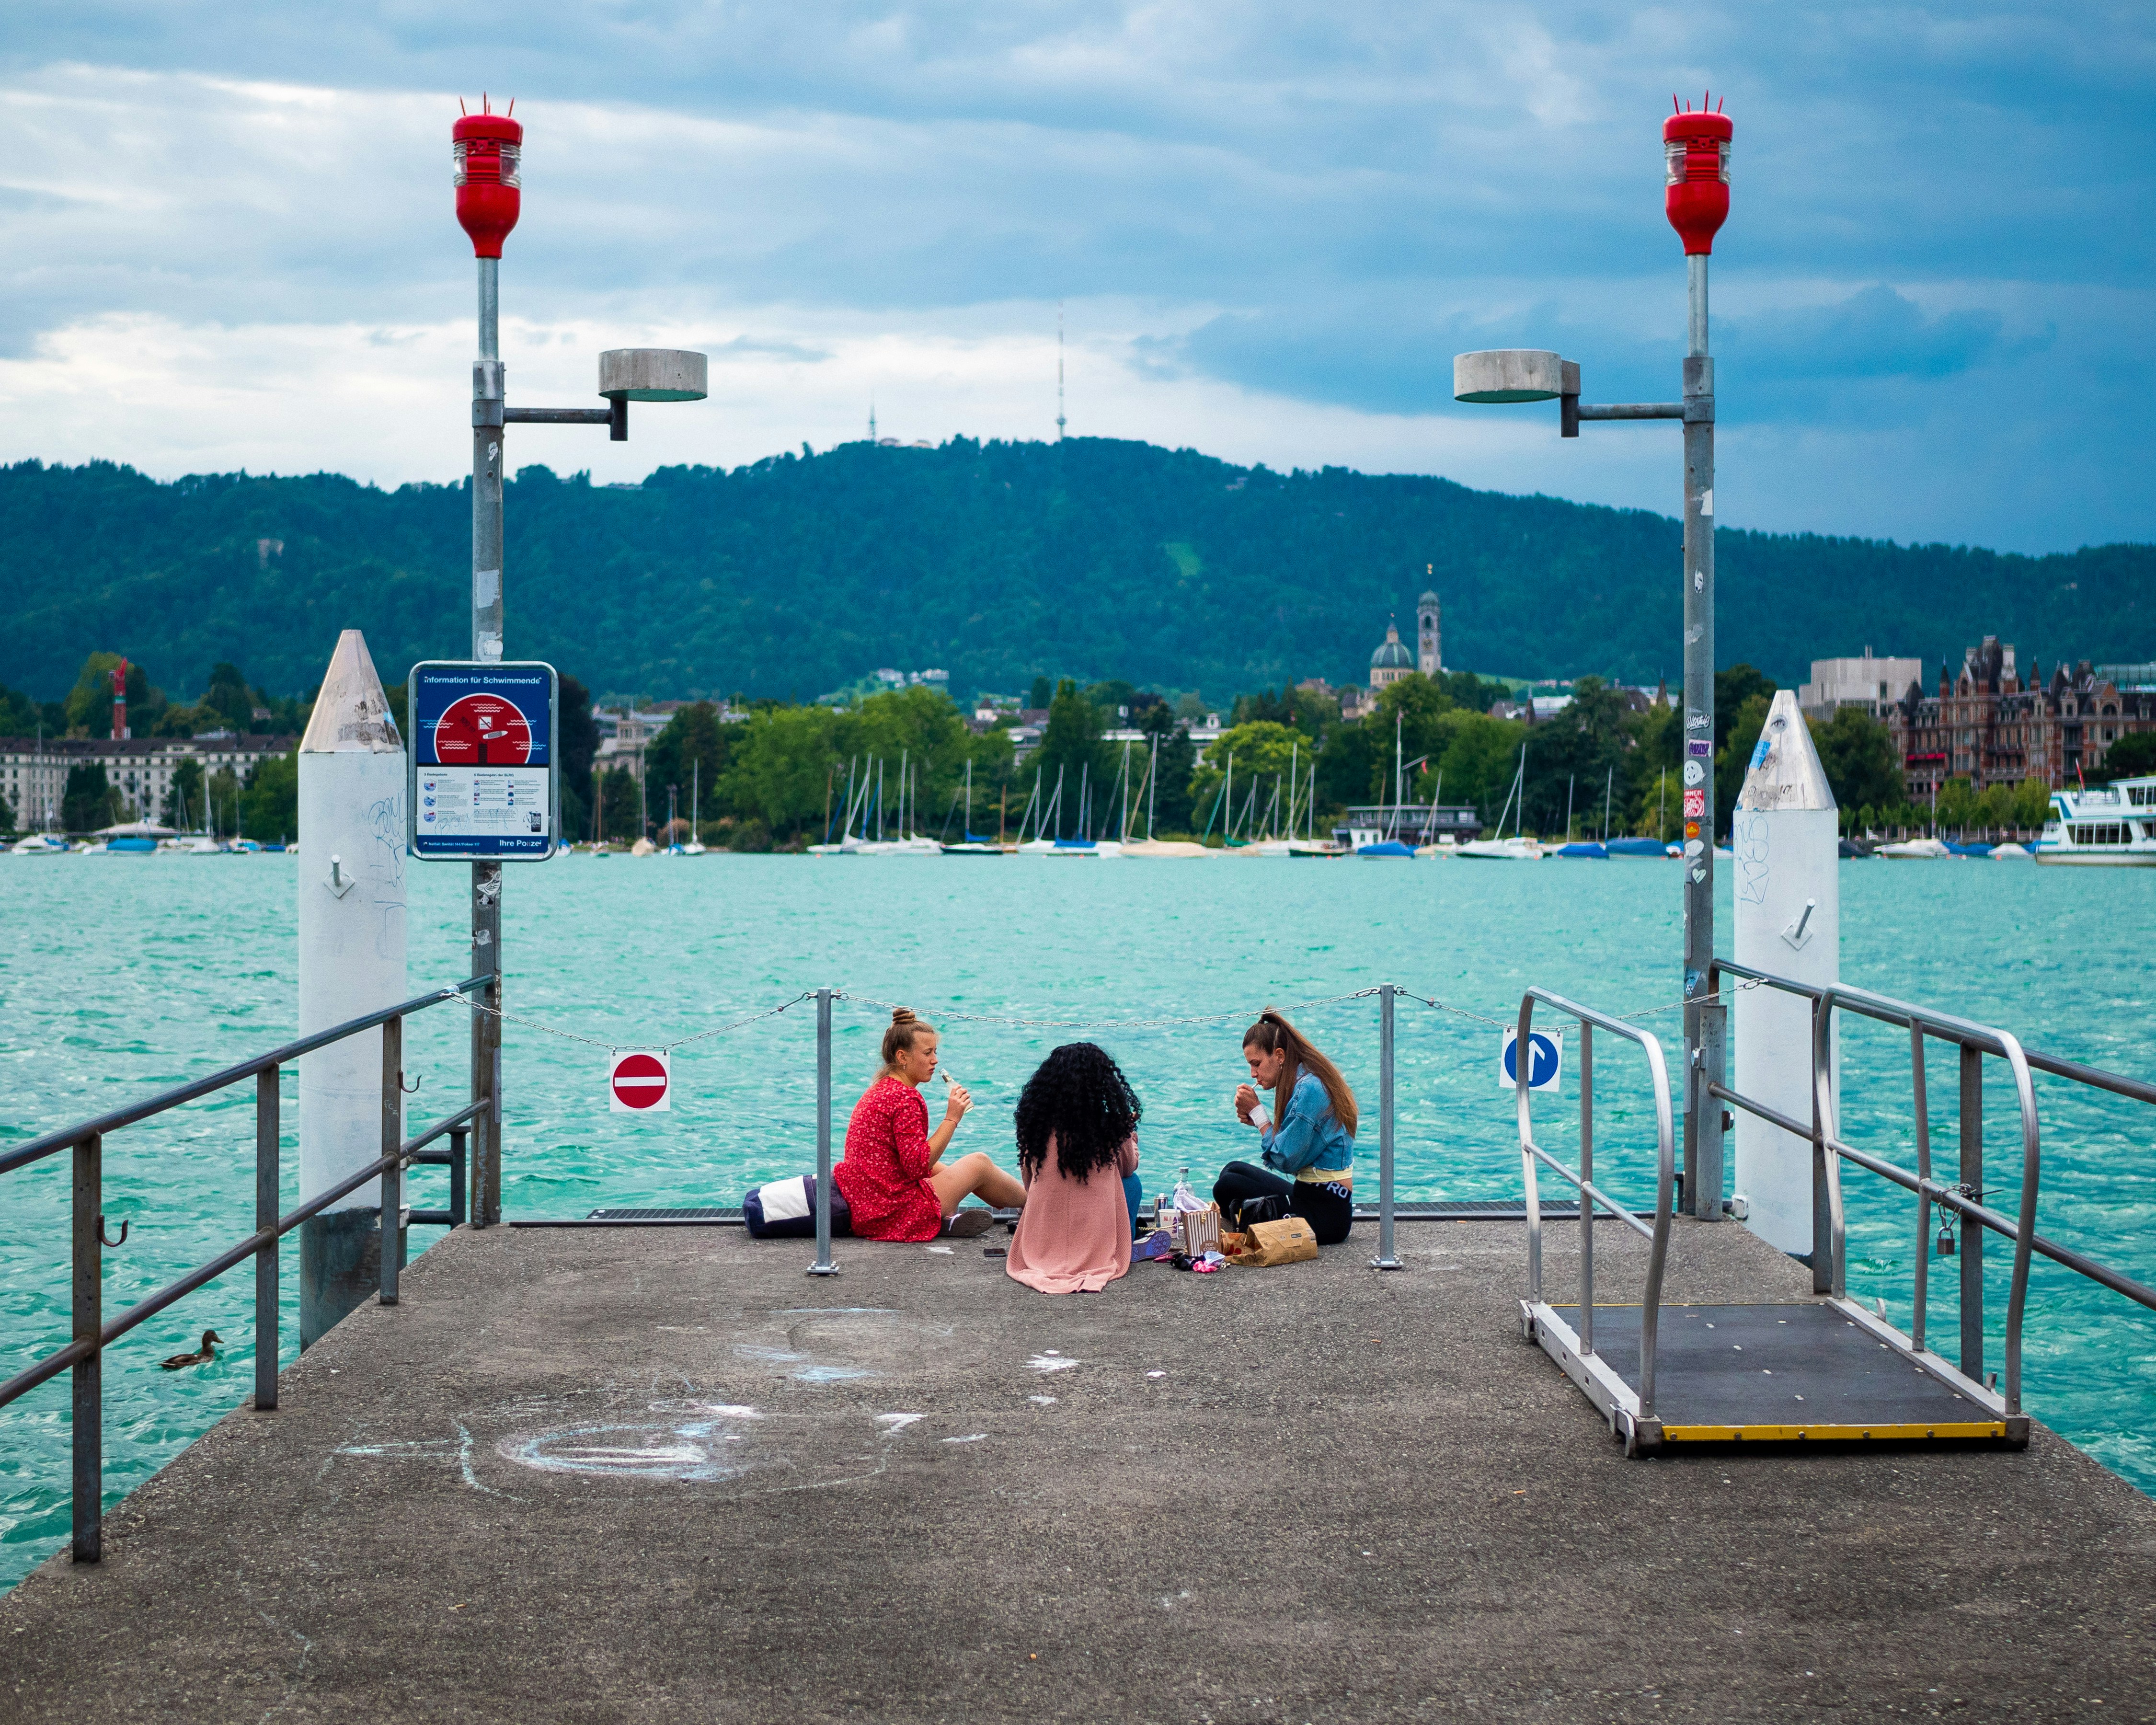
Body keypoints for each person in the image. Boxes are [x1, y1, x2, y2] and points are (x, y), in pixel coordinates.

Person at [834, 1008, 1026, 1241]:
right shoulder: (905, 1097)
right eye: (927, 1053)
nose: (935, 1060)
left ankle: (947, 1217)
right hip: (893, 1213)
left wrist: (960, 1180)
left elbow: (903, 1162)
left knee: (953, 1172)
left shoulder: (882, 1089)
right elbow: (917, 1165)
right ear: (903, 1057)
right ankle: (1036, 1203)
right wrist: (952, 1118)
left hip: (867, 1208)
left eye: (935, 1051)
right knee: (979, 1164)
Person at [1212, 1008, 1358, 1246]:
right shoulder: (1306, 1078)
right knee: (1232, 1171)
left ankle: (1251, 1219)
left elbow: (1287, 1160)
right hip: (1310, 1194)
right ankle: (1252, 1215)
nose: (1253, 1074)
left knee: (1227, 1187)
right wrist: (1258, 1120)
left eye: (1257, 1064)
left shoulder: (1309, 1089)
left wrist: (1259, 1116)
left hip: (1327, 1214)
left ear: (1279, 1056)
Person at [1006, 1043, 1143, 1294]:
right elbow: (1128, 1167)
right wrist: (1130, 1136)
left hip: (1043, 1235)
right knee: (1132, 1183)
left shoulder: (1036, 1127)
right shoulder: (1111, 1125)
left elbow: (1029, 1180)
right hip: (1096, 1237)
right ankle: (1127, 1241)